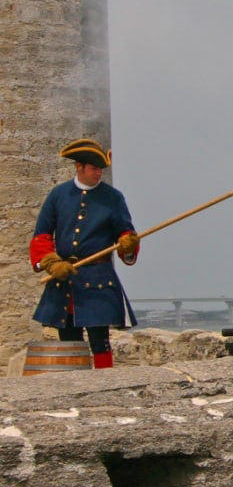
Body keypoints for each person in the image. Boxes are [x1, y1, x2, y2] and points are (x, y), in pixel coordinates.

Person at [29, 138, 140, 368]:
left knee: (101, 341)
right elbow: (42, 236)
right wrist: (51, 263)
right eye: (94, 168)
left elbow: (126, 233)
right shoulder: (58, 195)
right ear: (79, 167)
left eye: (100, 169)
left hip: (98, 278)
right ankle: (75, 385)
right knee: (69, 339)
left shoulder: (113, 198)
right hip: (65, 278)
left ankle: (105, 384)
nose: (98, 173)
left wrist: (128, 244)